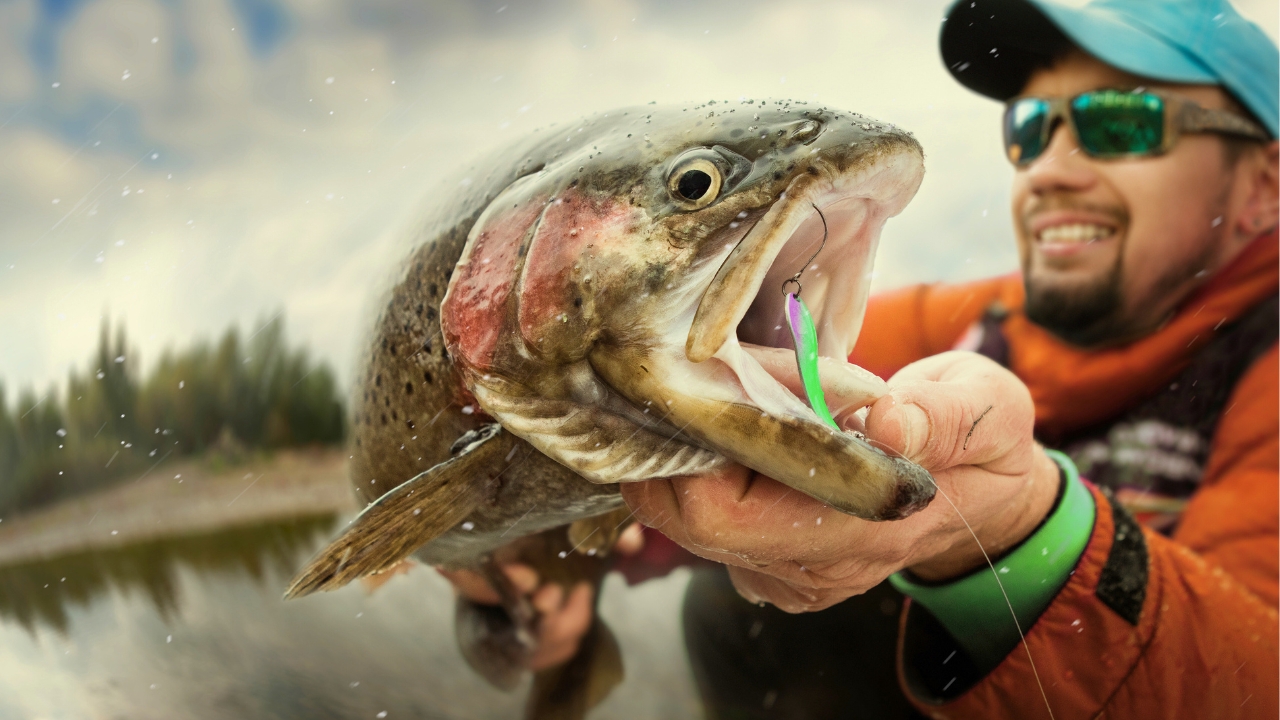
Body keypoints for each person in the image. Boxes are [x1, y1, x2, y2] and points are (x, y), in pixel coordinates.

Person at [443, 0, 1279, 717]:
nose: (1050, 171)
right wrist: (549, 550)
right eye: (1032, 127)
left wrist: (1028, 531)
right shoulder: (972, 316)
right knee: (736, 605)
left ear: (1267, 183)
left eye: (1120, 123)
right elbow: (718, 391)